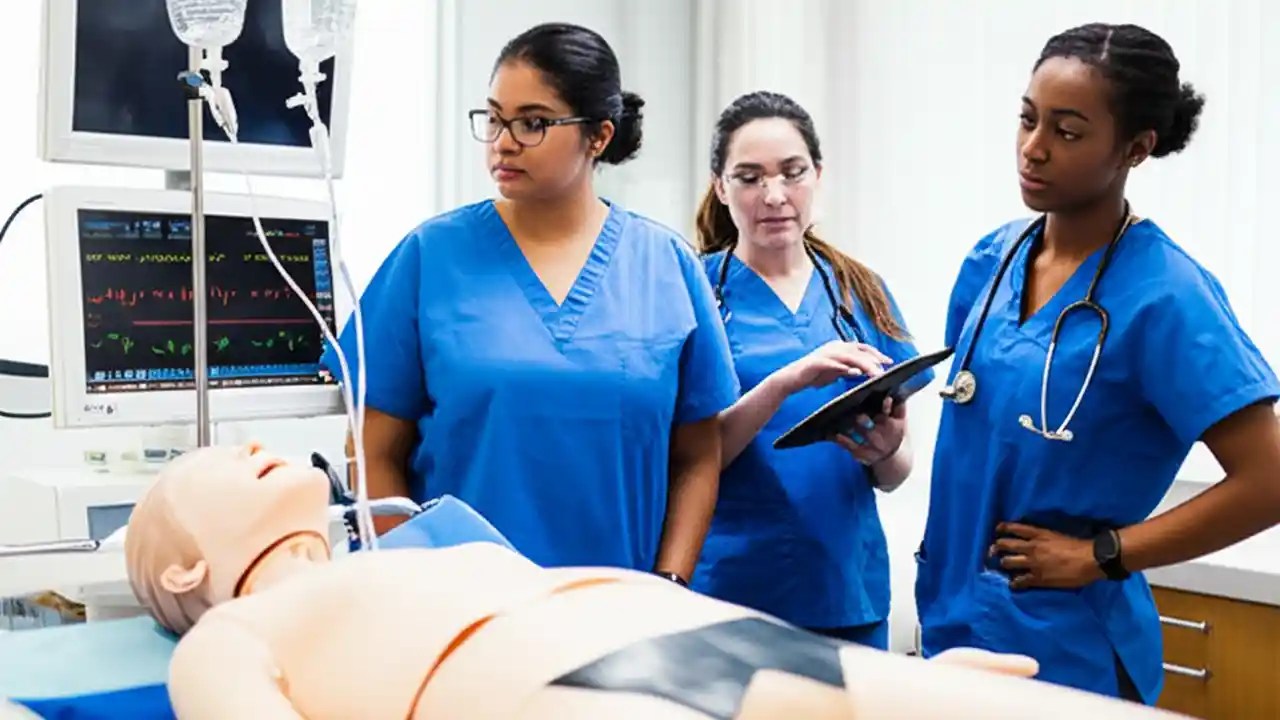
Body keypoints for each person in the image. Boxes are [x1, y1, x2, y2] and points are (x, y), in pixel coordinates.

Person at [121, 443, 1192, 719]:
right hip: (547, 684)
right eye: (208, 468)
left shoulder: (425, 552)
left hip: (706, 637)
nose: (250, 448)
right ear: (183, 566)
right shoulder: (234, 631)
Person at [918, 22, 1280, 705]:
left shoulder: (1168, 297)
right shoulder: (990, 262)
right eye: (1027, 119)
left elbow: (1270, 480)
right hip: (954, 626)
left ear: (1136, 147)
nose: (1034, 147)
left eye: (1067, 131)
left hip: (1070, 651)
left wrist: (1101, 555)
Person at [321, 23, 737, 581]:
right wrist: (419, 583)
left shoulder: (666, 267)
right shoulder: (430, 257)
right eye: (494, 119)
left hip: (622, 609)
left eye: (533, 123)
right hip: (464, 610)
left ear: (599, 137)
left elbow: (697, 456)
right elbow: (372, 451)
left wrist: (670, 583)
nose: (503, 141)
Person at [689, 91, 932, 650]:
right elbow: (691, 460)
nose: (774, 195)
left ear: (817, 175)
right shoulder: (694, 293)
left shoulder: (859, 292)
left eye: (792, 172)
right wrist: (786, 382)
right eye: (749, 177)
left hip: (845, 592)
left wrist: (884, 451)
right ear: (721, 187)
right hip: (730, 597)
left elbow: (895, 474)